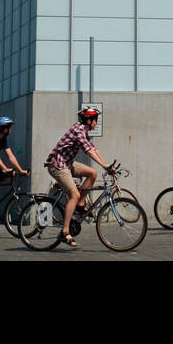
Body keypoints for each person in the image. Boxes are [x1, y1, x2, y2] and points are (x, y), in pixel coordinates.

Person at [44, 106, 115, 248]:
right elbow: (89, 152)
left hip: (67, 163)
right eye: (96, 120)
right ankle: (64, 232)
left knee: (92, 173)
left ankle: (80, 205)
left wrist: (107, 165)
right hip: (57, 165)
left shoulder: (84, 131)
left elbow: (94, 149)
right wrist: (105, 167)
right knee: (74, 195)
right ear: (89, 120)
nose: (97, 123)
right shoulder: (78, 130)